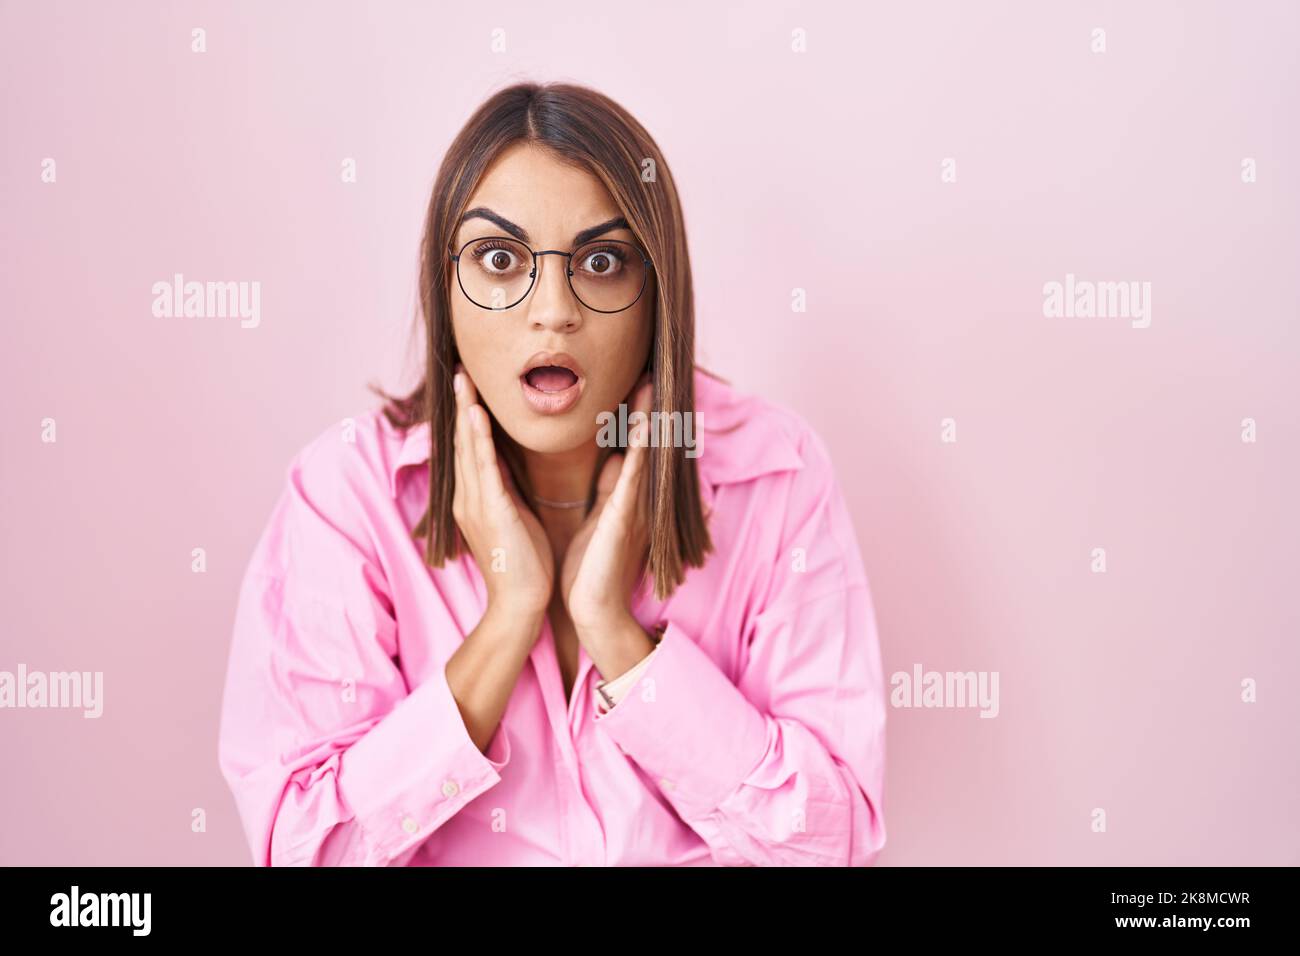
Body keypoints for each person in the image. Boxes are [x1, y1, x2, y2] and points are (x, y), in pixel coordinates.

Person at [217, 81, 887, 866]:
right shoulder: (346, 494)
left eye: (602, 262)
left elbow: (829, 844)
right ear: (446, 284)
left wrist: (616, 632)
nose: (552, 310)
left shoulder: (775, 473)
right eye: (499, 259)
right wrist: (510, 618)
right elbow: (304, 853)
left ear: (656, 295)